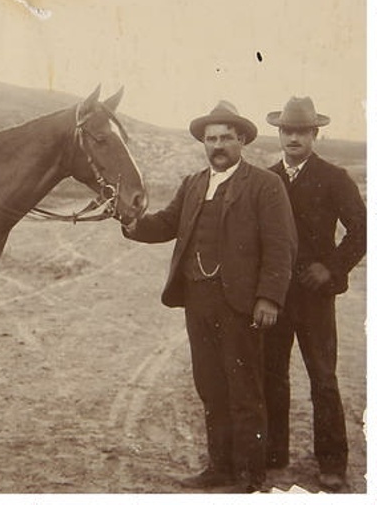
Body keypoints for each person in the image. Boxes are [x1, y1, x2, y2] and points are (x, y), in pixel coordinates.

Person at [121, 101, 297, 493]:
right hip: (198, 302)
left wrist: (269, 298)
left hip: (241, 304)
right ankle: (219, 468)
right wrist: (133, 226)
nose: (218, 145)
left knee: (244, 389)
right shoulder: (194, 183)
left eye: (226, 138)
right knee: (210, 386)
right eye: (211, 138)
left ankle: (249, 476)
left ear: (242, 141)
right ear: (203, 142)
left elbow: (280, 245)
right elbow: (167, 223)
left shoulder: (265, 185)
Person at [262, 96, 366, 492]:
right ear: (280, 133)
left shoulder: (335, 177)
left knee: (322, 377)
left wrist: (332, 268)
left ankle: (332, 463)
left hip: (315, 297)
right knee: (272, 373)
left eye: (301, 131)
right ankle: (274, 453)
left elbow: (361, 230)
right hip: (275, 294)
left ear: (314, 134)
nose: (293, 137)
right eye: (287, 130)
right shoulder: (267, 178)